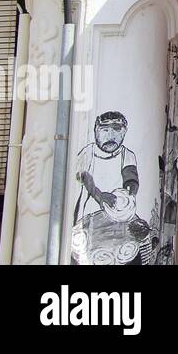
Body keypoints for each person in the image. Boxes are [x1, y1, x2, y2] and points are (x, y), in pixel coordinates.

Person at [71, 111, 151, 264]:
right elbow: (84, 177)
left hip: (120, 214)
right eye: (105, 130)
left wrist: (130, 191)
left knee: (130, 249)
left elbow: (131, 175)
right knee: (83, 250)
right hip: (89, 215)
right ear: (96, 130)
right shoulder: (88, 153)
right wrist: (100, 196)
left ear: (124, 132)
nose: (111, 136)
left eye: (116, 130)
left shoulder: (127, 154)